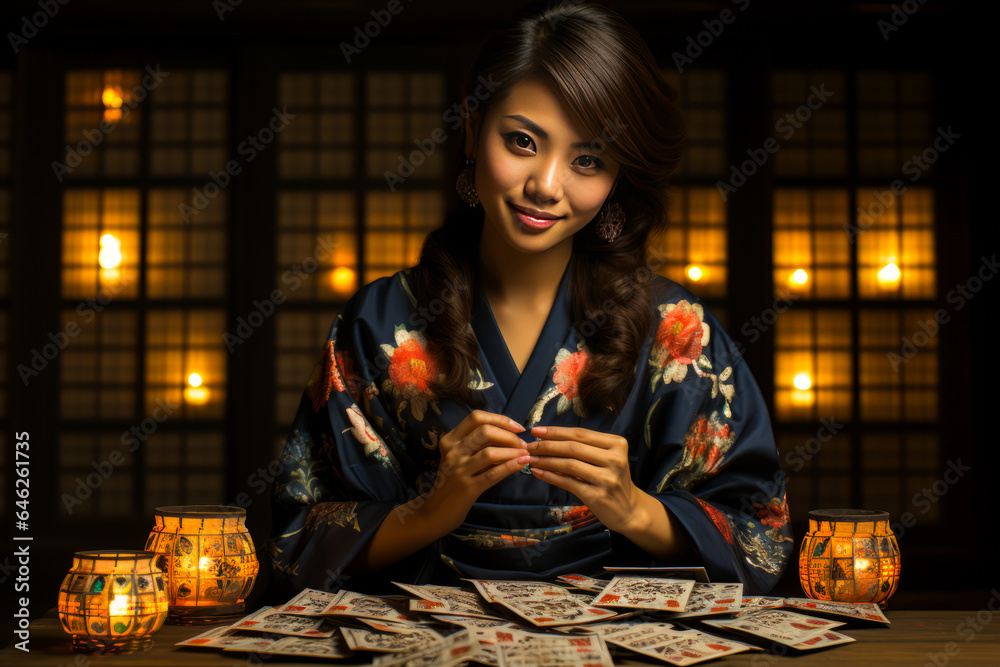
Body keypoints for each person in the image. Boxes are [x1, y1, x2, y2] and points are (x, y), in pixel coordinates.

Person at [268, 1, 792, 599]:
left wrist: (636, 510)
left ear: (618, 175)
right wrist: (431, 512)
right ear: (472, 128)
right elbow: (294, 541)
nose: (545, 184)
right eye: (522, 141)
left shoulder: (675, 329)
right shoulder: (377, 323)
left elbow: (763, 535)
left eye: (587, 160)